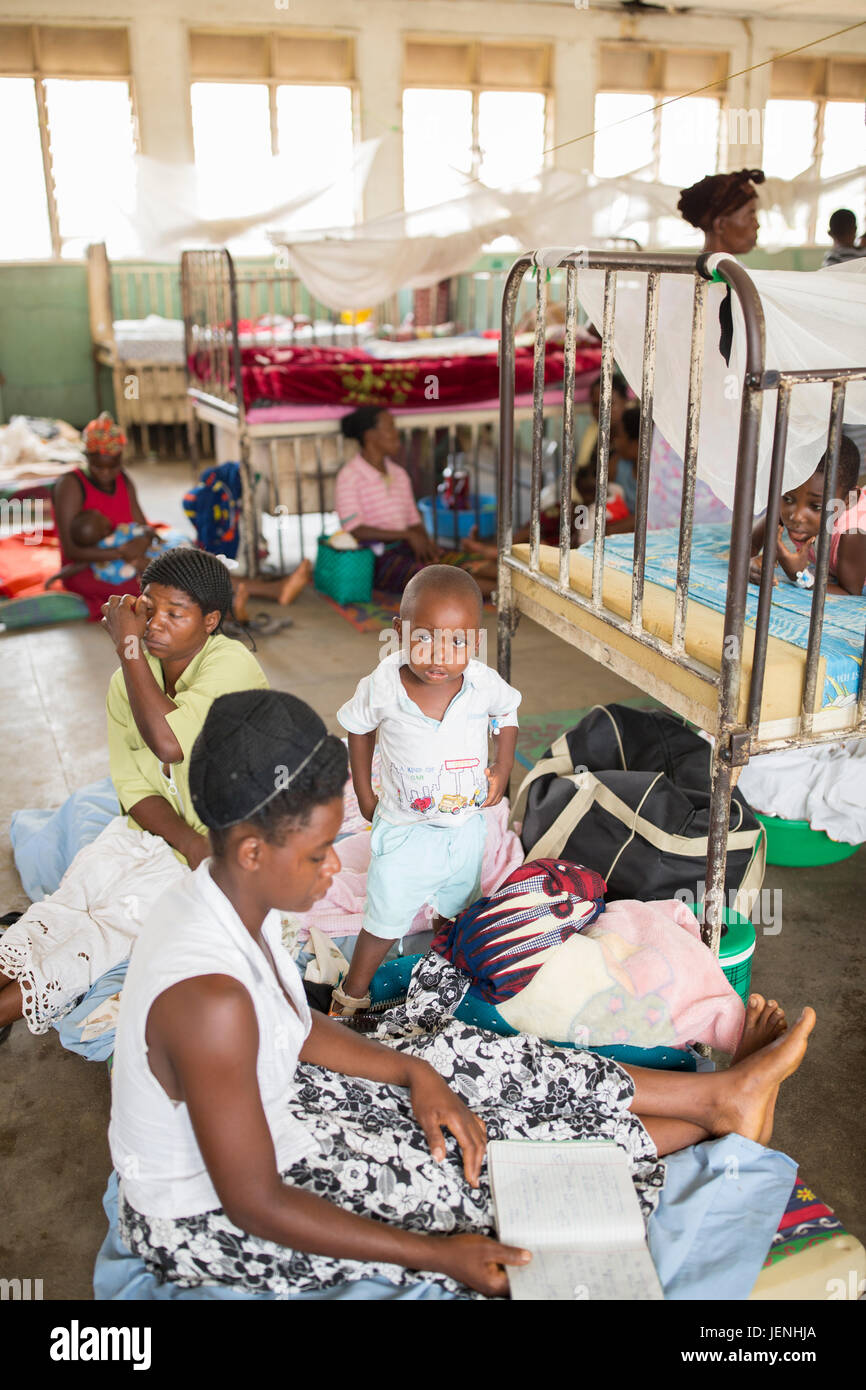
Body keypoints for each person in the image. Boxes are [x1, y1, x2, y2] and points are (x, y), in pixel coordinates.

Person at [107, 685, 817, 1300]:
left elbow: (291, 1025)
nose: (333, 870)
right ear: (254, 851)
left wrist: (416, 1072)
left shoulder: (226, 897)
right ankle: (719, 1122)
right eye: (320, 854)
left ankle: (715, 1098)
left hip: (272, 1105)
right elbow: (256, 1201)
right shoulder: (206, 1002)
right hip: (214, 1216)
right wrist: (436, 1256)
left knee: (463, 1060)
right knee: (477, 1180)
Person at [0, 548, 268, 1040]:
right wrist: (186, 843)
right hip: (167, 832)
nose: (154, 625)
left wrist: (128, 650)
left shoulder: (232, 666)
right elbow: (134, 787)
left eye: (176, 613)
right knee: (74, 898)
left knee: (109, 929)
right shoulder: (128, 680)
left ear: (210, 621)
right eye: (149, 608)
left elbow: (169, 742)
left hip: (231, 836)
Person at [331, 567, 520, 1017]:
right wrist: (364, 792)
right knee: (383, 916)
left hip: (465, 829)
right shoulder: (383, 685)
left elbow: (507, 714)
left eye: (457, 642)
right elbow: (359, 730)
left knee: (456, 910)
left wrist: (502, 765)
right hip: (405, 829)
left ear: (474, 641)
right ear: (399, 631)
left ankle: (442, 978)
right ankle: (352, 997)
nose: (440, 656)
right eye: (425, 639)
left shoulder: (480, 683)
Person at [334, 406, 497, 596]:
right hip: (376, 556)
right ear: (370, 436)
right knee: (435, 579)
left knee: (462, 560)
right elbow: (355, 529)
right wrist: (408, 536)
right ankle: (504, 594)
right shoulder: (349, 476)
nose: (397, 434)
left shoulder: (399, 474)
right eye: (390, 428)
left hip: (409, 546)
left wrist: (426, 544)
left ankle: (510, 590)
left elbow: (413, 521)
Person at [52, 412, 156, 620]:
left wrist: (142, 543)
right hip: (88, 567)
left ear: (121, 459)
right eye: (98, 466)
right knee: (149, 587)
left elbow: (144, 527)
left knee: (173, 564)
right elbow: (73, 551)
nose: (106, 473)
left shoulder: (123, 480)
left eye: (113, 466)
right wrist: (123, 553)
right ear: (87, 458)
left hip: (127, 557)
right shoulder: (71, 485)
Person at [749, 435, 866, 596]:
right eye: (788, 498)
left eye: (816, 506)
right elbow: (749, 544)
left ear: (847, 500)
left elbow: (850, 590)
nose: (796, 516)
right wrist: (751, 565)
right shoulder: (790, 504)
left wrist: (800, 575)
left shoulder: (853, 533)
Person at [47, 510, 165, 589]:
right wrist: (57, 576)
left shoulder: (121, 531)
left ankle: (157, 575)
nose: (105, 532)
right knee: (140, 565)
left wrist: (154, 536)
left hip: (143, 559)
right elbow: (77, 566)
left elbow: (144, 530)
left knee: (144, 563)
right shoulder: (98, 550)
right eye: (99, 535)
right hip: (125, 572)